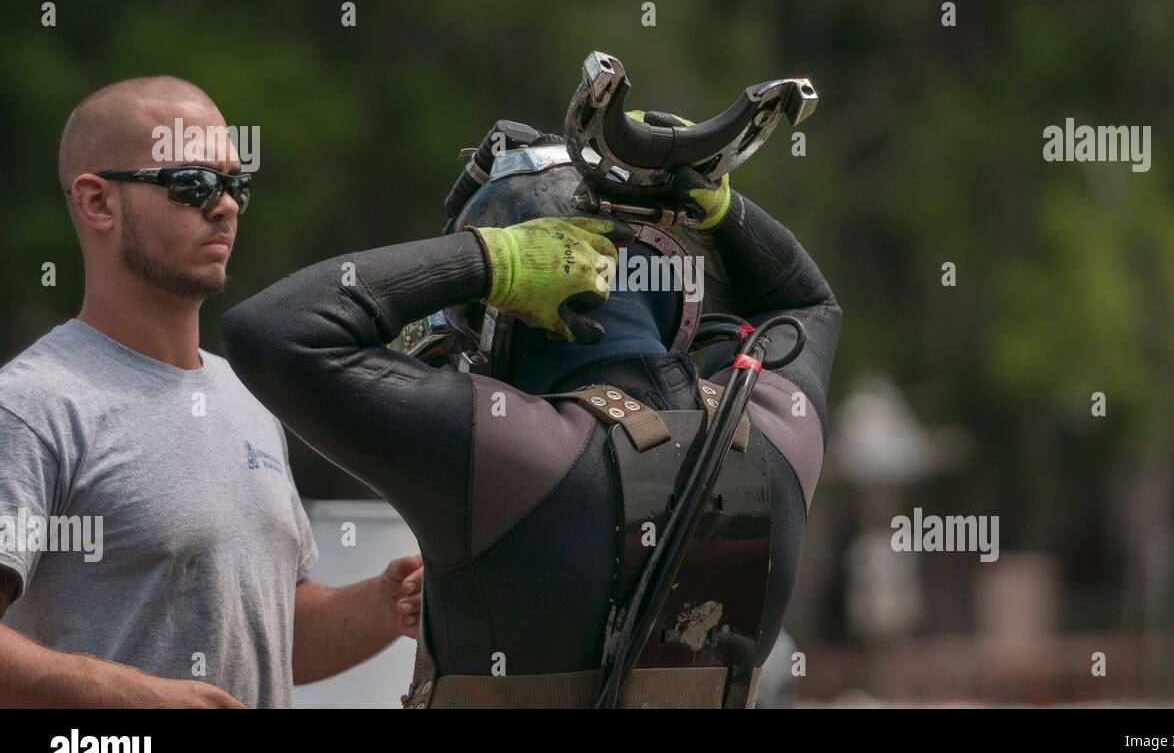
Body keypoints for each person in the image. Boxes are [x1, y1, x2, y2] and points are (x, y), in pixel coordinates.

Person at [220, 115, 840, 708]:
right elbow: (807, 302)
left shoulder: (510, 450)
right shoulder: (777, 437)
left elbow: (270, 329)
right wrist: (711, 198)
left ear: (517, 301)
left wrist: (489, 261)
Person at [0, 76, 422, 708]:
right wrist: (136, 699)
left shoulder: (246, 395)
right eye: (191, 184)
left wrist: (385, 605)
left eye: (235, 185)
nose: (223, 205)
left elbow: (280, 635)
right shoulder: (32, 407)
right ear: (96, 203)